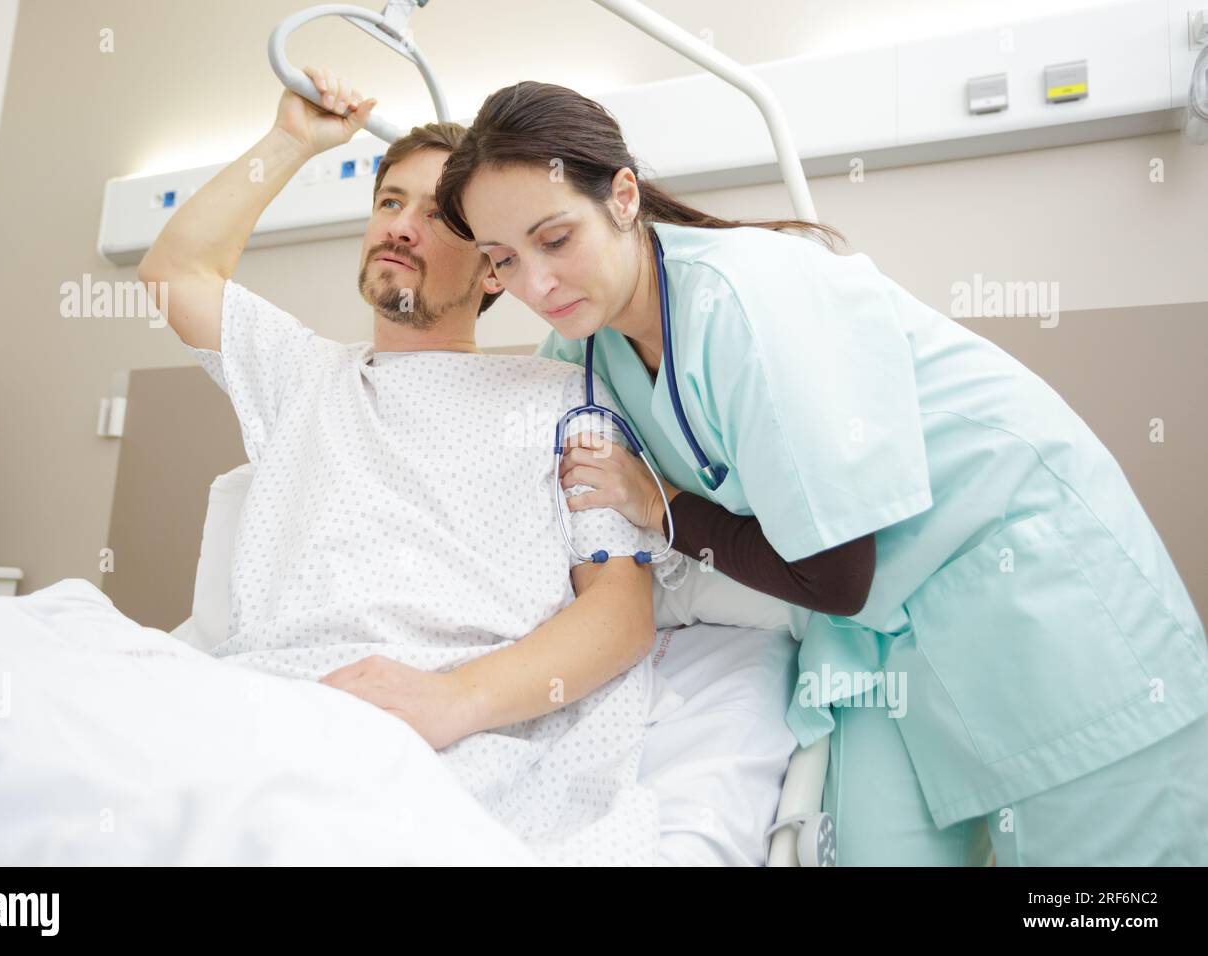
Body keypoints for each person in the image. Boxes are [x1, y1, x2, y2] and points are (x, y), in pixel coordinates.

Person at [431, 80, 1208, 865]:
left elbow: (837, 573)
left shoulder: (746, 299)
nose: (536, 285)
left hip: (1030, 581)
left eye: (555, 240)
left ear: (623, 197)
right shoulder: (585, 351)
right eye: (503, 261)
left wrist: (663, 505)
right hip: (879, 638)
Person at [138, 68, 794, 865]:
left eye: (435, 218)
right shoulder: (300, 376)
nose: (402, 228)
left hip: (458, 731)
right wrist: (291, 141)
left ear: (493, 266)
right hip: (269, 705)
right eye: (389, 204)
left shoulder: (565, 402)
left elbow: (620, 616)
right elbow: (175, 275)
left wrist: (452, 701)